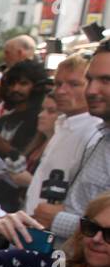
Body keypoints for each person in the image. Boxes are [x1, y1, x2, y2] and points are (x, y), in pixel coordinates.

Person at [34, 42, 110, 243]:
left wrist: (58, 220)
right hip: (69, 263)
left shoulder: (90, 131)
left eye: (106, 80)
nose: (92, 90)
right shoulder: (101, 137)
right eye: (90, 79)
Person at [25, 54, 101, 216]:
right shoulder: (63, 124)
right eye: (58, 84)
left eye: (74, 84)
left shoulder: (94, 133)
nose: (61, 91)